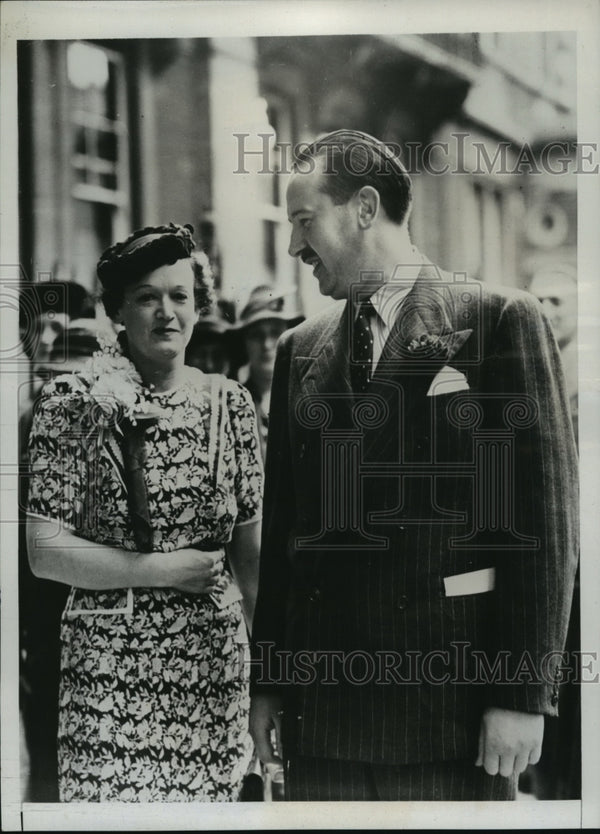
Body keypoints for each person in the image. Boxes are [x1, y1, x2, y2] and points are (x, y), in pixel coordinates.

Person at [249, 130, 579, 801]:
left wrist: (521, 695)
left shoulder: (498, 322)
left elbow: (544, 530)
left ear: (365, 207)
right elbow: (286, 542)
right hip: (324, 725)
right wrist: (271, 684)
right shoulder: (298, 351)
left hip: (449, 719)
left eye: (305, 223)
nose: (294, 247)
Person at [26, 223, 263, 802]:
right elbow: (43, 550)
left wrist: (270, 680)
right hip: (107, 679)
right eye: (146, 298)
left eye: (180, 295)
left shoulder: (229, 404)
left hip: (211, 671)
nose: (166, 313)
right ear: (118, 313)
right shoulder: (72, 404)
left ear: (198, 306)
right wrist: (158, 569)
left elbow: (253, 562)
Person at [235, 285, 303, 461]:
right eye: (256, 335)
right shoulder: (234, 400)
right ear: (244, 344)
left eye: (275, 333)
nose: (266, 345)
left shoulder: (306, 396)